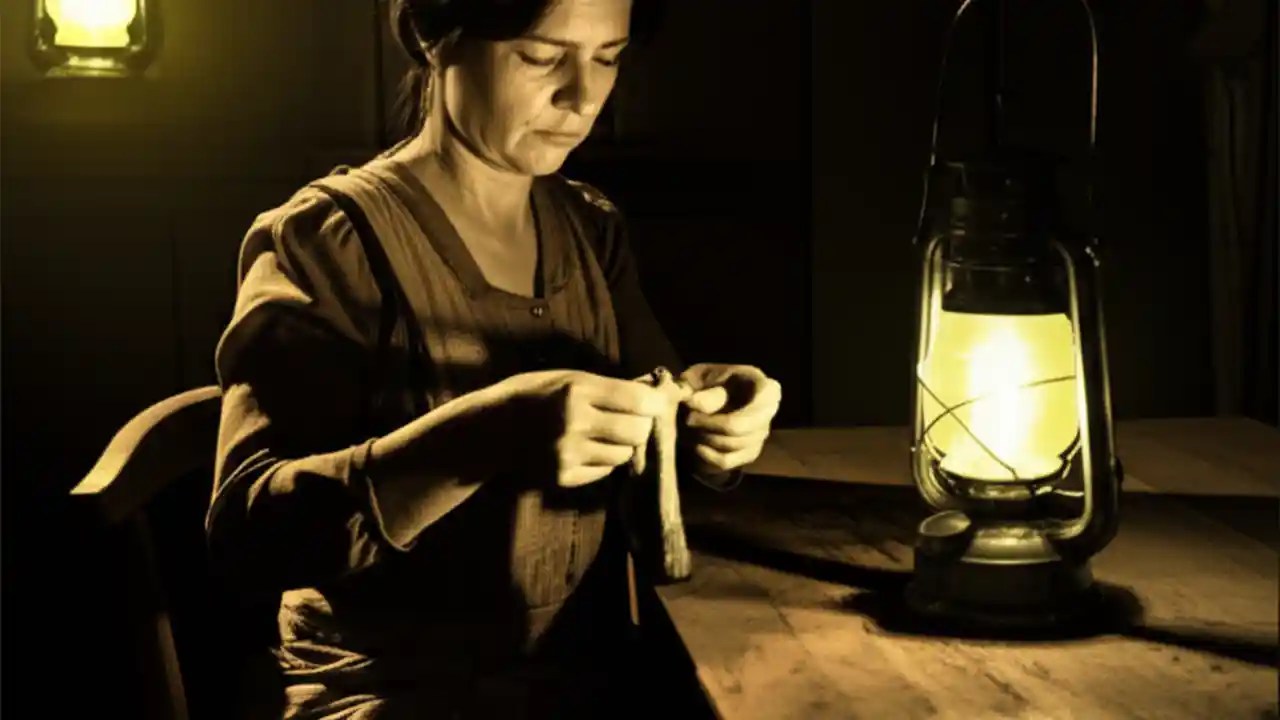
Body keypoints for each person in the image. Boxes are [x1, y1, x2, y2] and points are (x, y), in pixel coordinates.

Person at [207, 0, 783, 716]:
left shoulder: (589, 229)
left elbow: (658, 425)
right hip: (397, 692)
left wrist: (713, 425)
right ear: (430, 35)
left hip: (587, 678)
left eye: (609, 58)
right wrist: (490, 432)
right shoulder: (332, 241)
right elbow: (251, 534)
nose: (583, 97)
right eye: (541, 56)